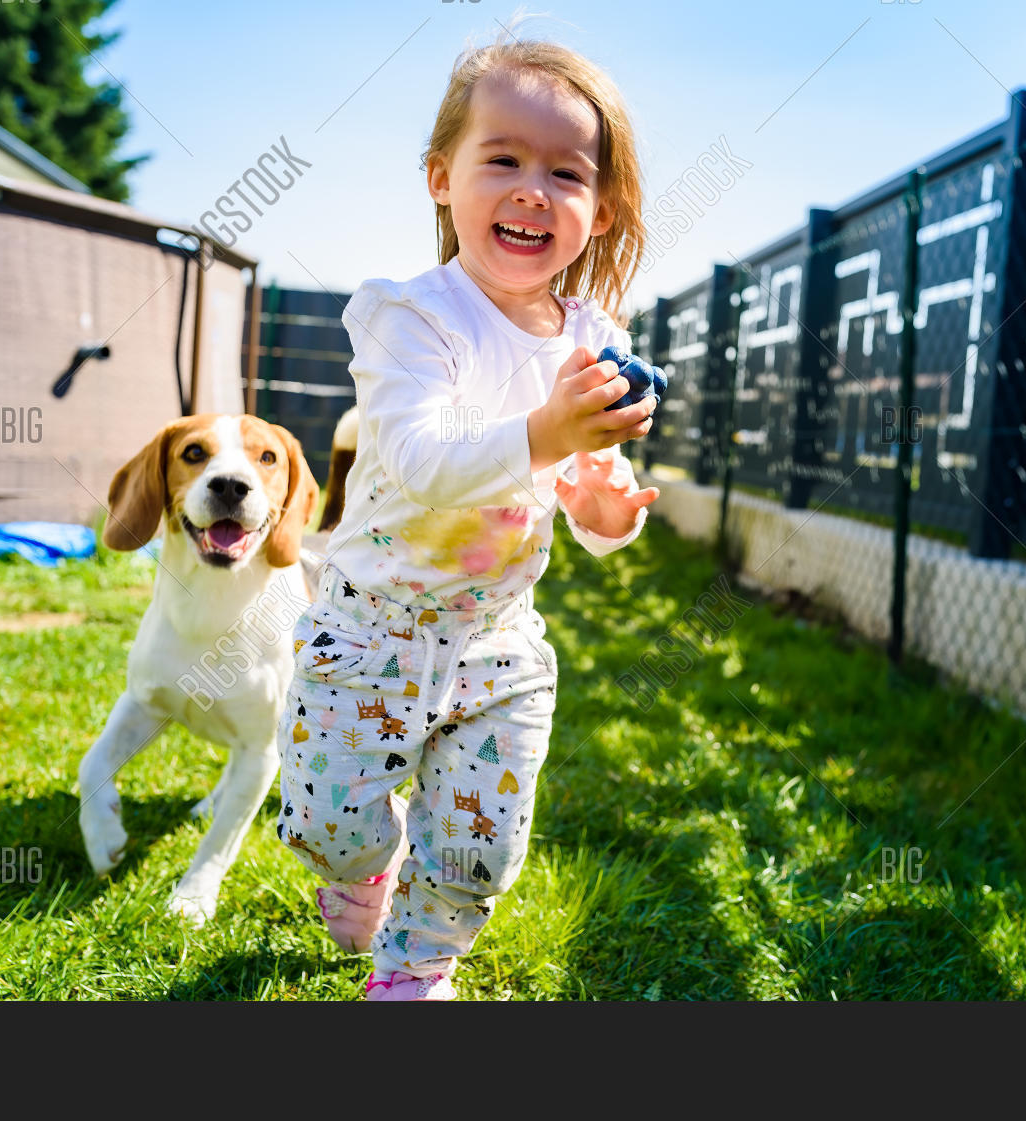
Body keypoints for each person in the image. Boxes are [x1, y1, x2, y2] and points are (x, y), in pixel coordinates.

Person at [276, 33, 659, 1001]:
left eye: (565, 173)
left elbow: (589, 485)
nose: (533, 189)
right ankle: (366, 864)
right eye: (504, 160)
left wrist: (606, 507)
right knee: (329, 821)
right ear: (443, 179)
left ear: (599, 209)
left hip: (494, 643)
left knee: (481, 838)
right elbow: (418, 459)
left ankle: (416, 966)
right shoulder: (411, 316)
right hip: (369, 630)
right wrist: (546, 431)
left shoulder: (594, 341)